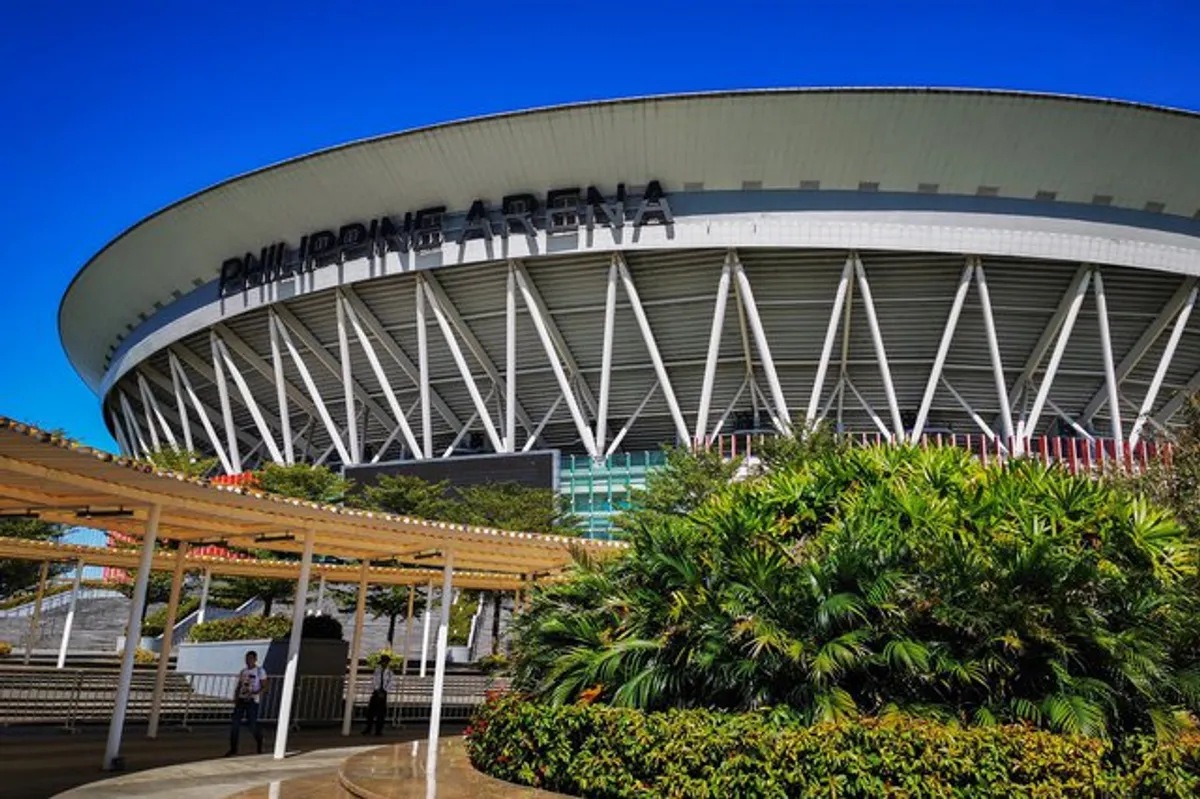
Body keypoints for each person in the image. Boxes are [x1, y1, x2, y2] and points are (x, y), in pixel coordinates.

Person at [226, 649, 267, 756]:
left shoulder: (260, 671)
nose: (248, 661)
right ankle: (233, 748)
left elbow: (265, 686)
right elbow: (239, 685)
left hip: (252, 700)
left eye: (251, 659)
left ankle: (259, 740)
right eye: (247, 659)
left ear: (255, 659)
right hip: (241, 699)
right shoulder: (243, 671)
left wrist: (256, 693)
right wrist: (236, 697)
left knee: (252, 724)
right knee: (235, 724)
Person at [363, 653, 394, 736]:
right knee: (371, 712)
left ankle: (378, 730)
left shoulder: (390, 672)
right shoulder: (377, 670)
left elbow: (391, 682)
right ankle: (368, 728)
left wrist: (384, 690)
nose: (384, 663)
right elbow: (374, 680)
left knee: (381, 713)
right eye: (383, 662)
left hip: (384, 692)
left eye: (385, 662)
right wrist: (377, 689)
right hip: (376, 692)